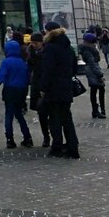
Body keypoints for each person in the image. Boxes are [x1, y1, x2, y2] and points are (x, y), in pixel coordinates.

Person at [38, 21, 79, 159]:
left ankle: (57, 147)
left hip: (54, 88)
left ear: (49, 32)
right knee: (67, 117)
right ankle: (73, 147)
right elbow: (74, 66)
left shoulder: (50, 48)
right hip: (66, 87)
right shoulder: (68, 46)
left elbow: (47, 69)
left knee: (54, 118)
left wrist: (43, 87)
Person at [0, 39, 34, 148]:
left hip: (10, 90)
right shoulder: (22, 62)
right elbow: (28, 79)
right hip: (22, 90)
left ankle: (10, 139)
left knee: (9, 115)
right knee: (19, 115)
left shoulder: (6, 62)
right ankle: (27, 137)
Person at [26, 31, 51, 148]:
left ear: (42, 42)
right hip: (37, 85)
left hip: (47, 85)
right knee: (41, 112)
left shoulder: (47, 52)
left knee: (51, 112)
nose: (34, 45)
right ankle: (46, 136)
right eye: (32, 43)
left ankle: (52, 134)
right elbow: (29, 68)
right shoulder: (31, 52)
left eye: (36, 43)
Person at [80, 32, 106, 118]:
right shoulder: (88, 50)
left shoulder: (88, 49)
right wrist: (100, 75)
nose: (95, 43)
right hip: (93, 71)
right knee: (99, 89)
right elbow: (92, 63)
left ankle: (97, 110)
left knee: (94, 90)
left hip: (91, 70)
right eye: (93, 42)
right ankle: (99, 110)